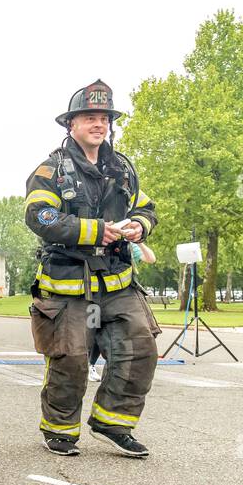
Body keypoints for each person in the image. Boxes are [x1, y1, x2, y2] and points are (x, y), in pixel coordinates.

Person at [25, 80, 159, 458]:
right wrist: (98, 230)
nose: (98, 124)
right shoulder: (50, 170)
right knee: (71, 359)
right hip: (68, 284)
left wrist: (138, 225)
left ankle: (113, 422)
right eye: (89, 117)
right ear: (72, 125)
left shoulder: (122, 169)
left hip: (117, 283)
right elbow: (41, 216)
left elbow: (147, 209)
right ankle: (60, 431)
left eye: (103, 118)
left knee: (141, 348)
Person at [89, 241, 156, 380]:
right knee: (92, 329)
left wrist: (140, 242)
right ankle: (88, 364)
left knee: (120, 334)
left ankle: (93, 365)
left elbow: (151, 258)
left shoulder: (128, 245)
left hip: (120, 295)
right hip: (94, 295)